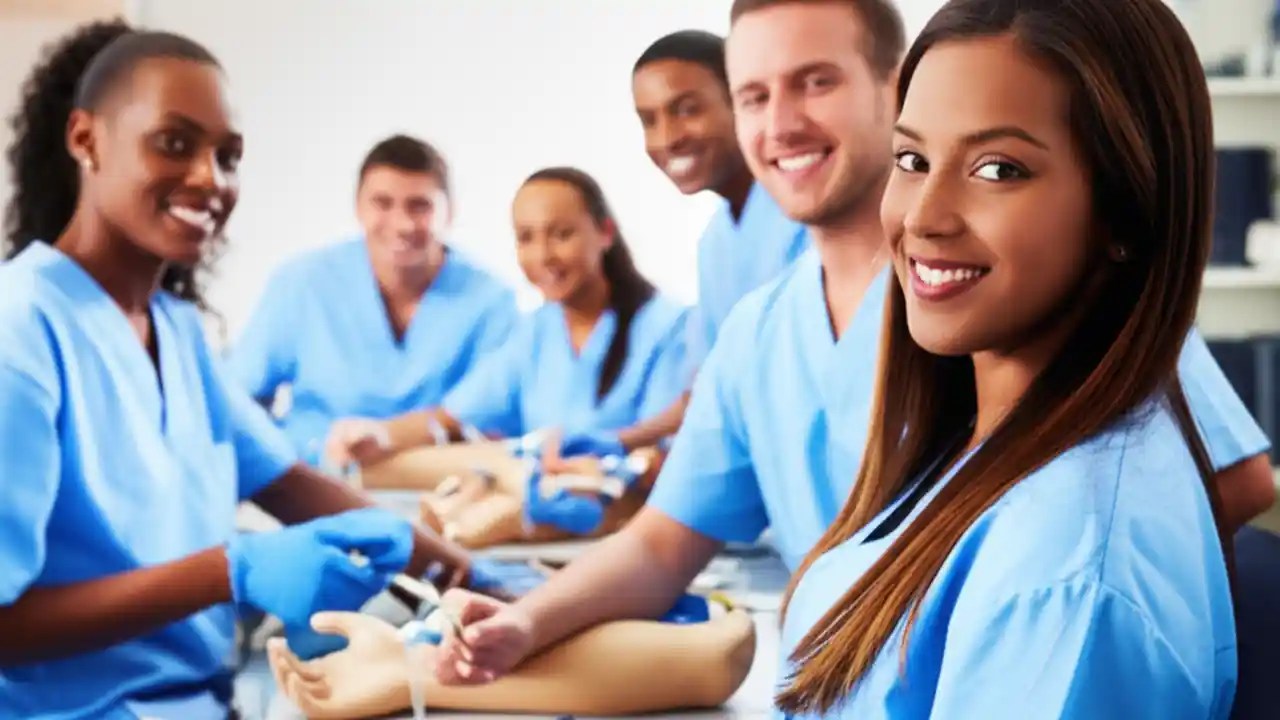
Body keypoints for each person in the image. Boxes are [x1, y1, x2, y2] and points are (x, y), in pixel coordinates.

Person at [292, 0, 1271, 696]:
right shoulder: (786, 325)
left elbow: (1197, 498)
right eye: (751, 93)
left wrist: (975, 610)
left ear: (886, 83)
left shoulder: (1045, 427)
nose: (778, 121)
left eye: (812, 81)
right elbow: (666, 537)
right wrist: (520, 622)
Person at [775, 0, 1236, 715]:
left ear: (1125, 210)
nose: (924, 216)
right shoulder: (978, 445)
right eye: (912, 159)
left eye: (998, 169)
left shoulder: (1067, 568)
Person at [0, 22, 468, 719]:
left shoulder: (175, 332)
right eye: (175, 143)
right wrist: (231, 570)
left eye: (229, 156)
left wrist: (453, 566)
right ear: (85, 139)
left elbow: (289, 482)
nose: (209, 179)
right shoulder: (22, 329)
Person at [323, 167, 688, 469]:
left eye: (562, 234)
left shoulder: (667, 329)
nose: (543, 255)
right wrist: (379, 434)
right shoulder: (535, 333)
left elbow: (661, 456)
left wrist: (602, 461)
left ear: (605, 232)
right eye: (526, 238)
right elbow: (451, 418)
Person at [563, 30, 814, 456]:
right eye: (649, 120)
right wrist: (614, 444)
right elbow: (709, 387)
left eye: (687, 110)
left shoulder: (805, 218)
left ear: (742, 102)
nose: (667, 137)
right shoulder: (715, 243)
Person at [228, 135, 517, 465]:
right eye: (382, 203)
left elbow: (497, 417)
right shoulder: (302, 283)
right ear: (358, 207)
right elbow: (239, 400)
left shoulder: (491, 302)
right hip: (314, 485)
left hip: (441, 495)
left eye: (420, 206)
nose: (402, 224)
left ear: (450, 212)